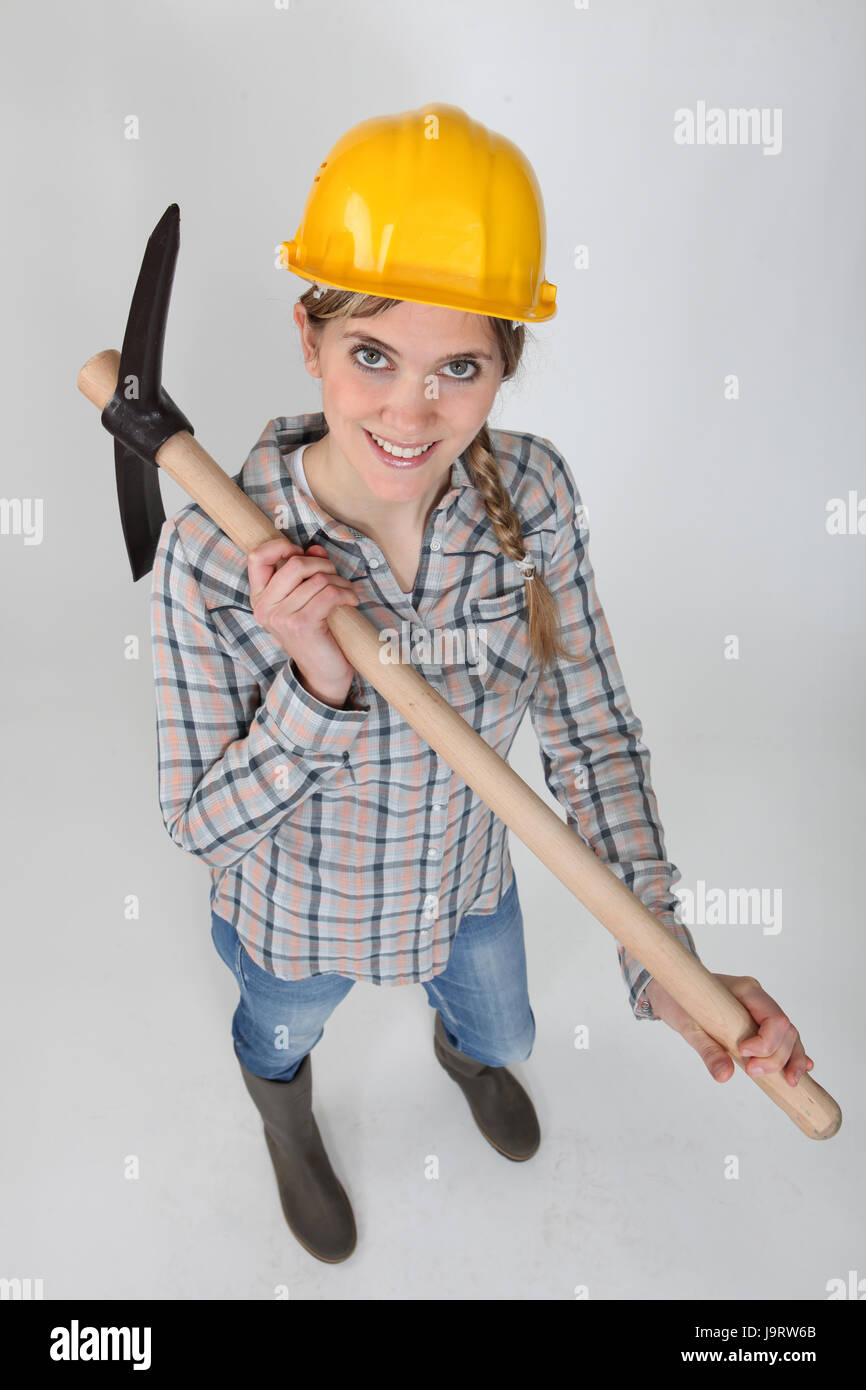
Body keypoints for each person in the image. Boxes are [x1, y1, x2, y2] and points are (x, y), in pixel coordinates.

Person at [149, 105, 813, 1266]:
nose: (410, 412)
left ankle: (466, 1055)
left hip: (463, 886)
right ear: (308, 340)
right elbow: (199, 823)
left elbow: (594, 732)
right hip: (298, 917)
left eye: (458, 367)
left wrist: (670, 971)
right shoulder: (211, 551)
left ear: (505, 360)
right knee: (278, 1030)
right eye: (372, 356)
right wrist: (315, 683)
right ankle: (285, 1115)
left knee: (504, 1025)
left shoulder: (534, 500)